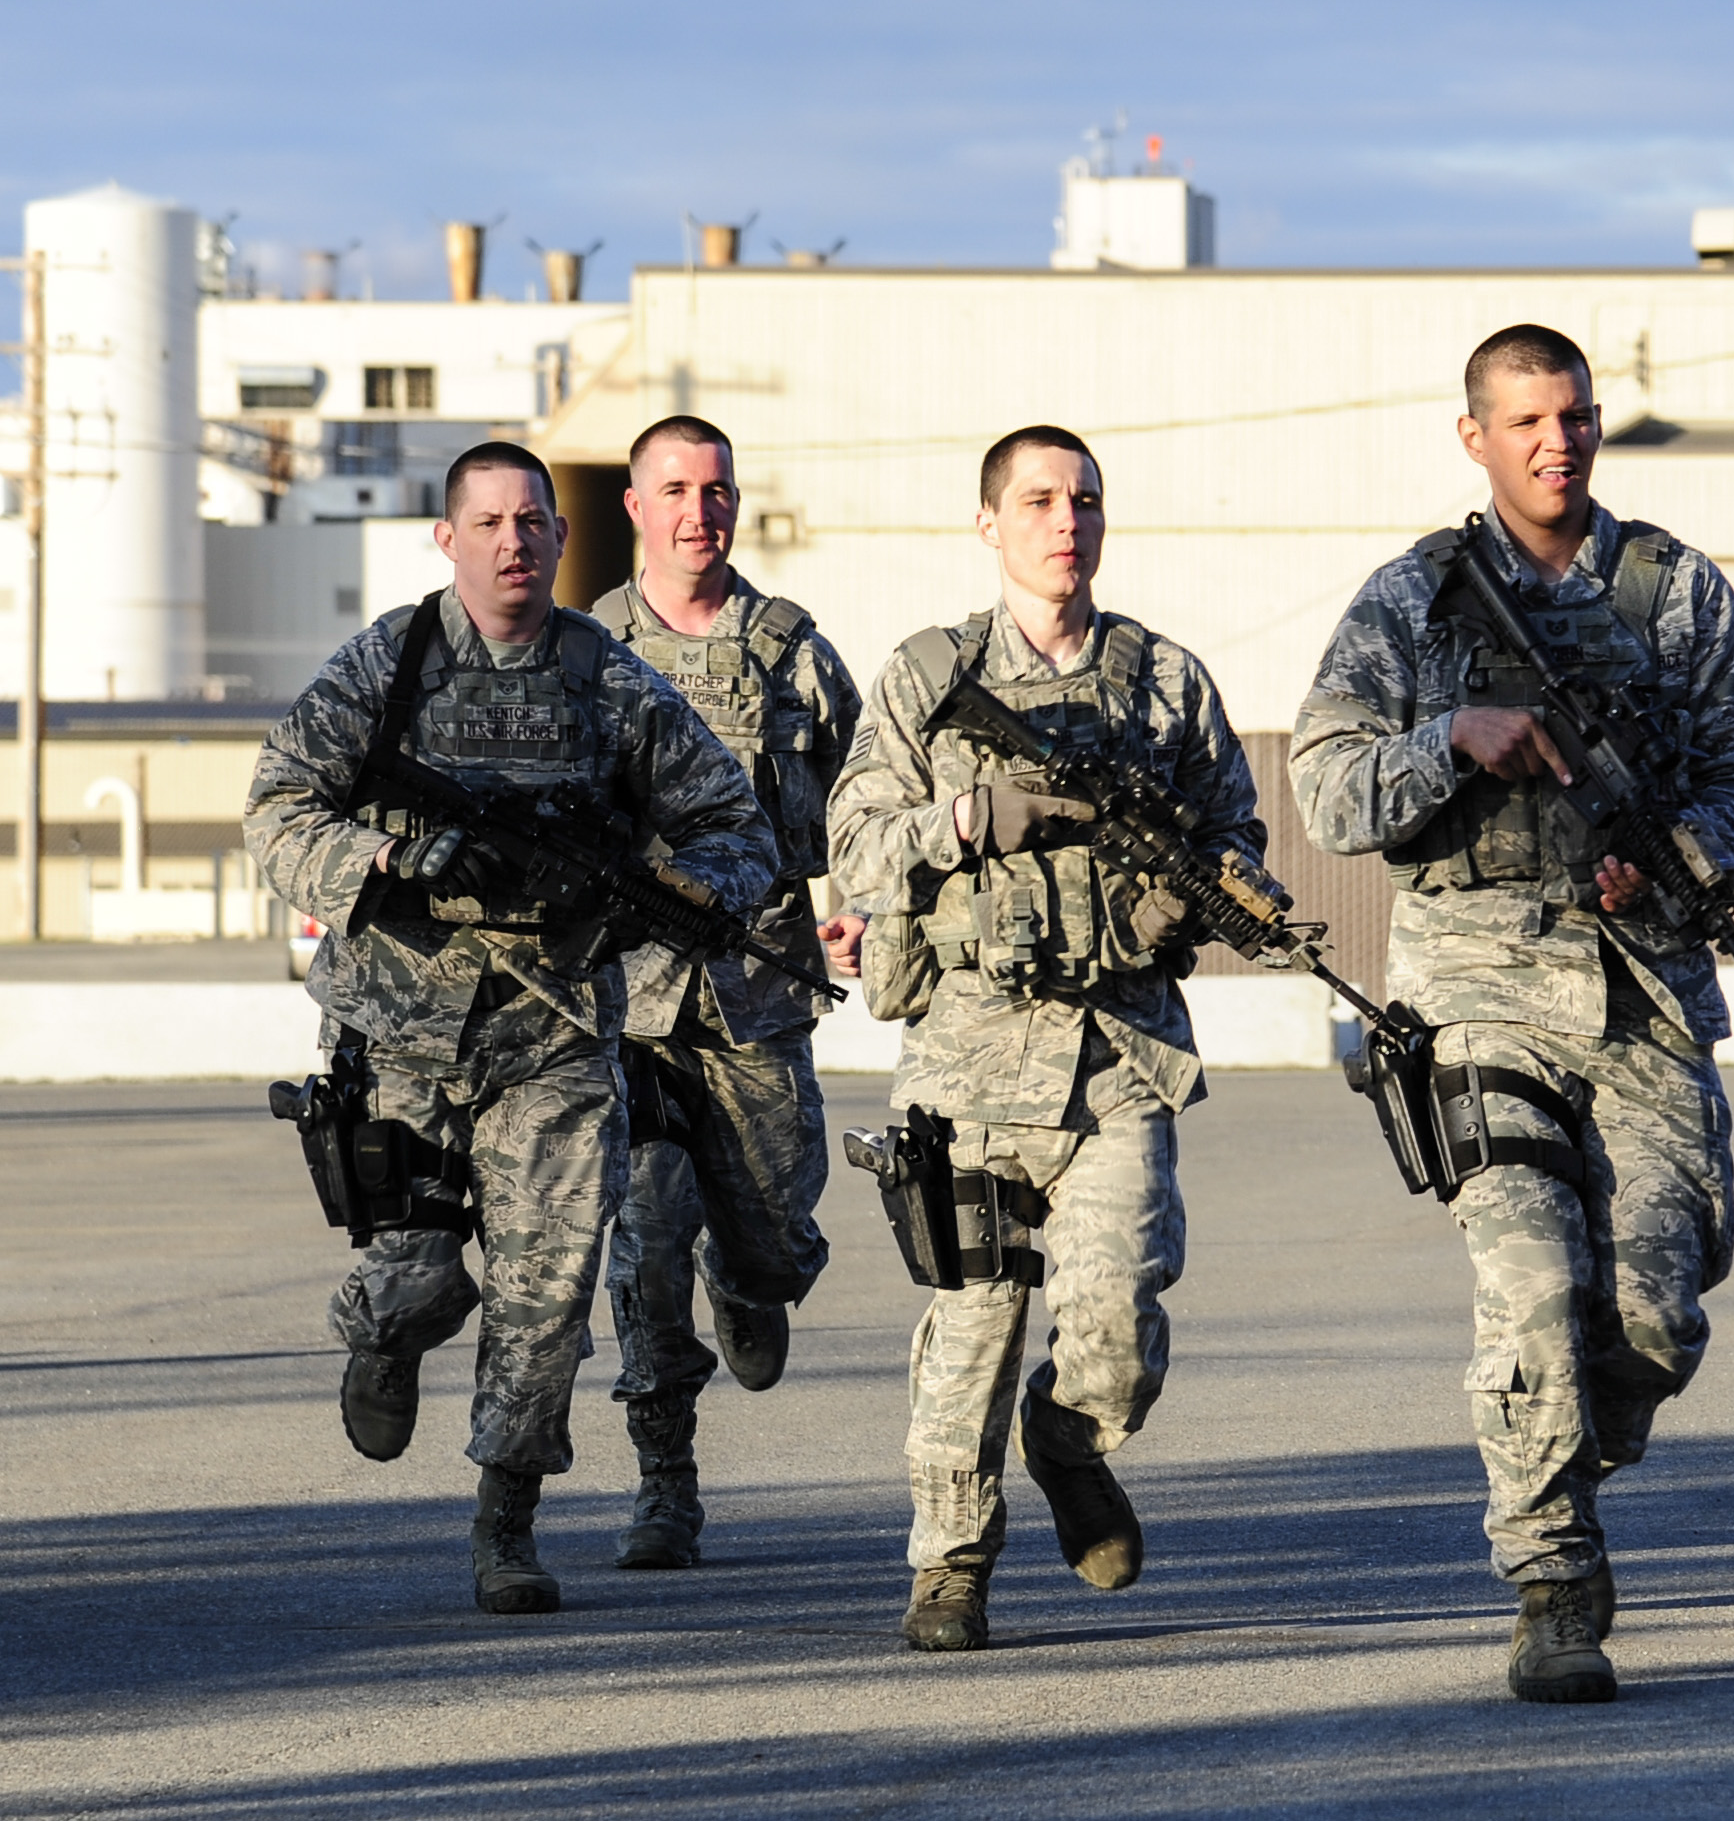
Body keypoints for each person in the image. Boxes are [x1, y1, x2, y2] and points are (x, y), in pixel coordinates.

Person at [1289, 324, 1734, 1702]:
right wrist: (1443, 742)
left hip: (1640, 992)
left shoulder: (1672, 590)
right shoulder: (1413, 600)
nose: (1551, 441)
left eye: (1569, 415)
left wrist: (1677, 861)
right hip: (1473, 994)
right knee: (1526, 1282)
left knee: (1650, 1313)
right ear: (1474, 436)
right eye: (1521, 420)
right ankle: (1552, 1581)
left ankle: (1567, 1443)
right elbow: (1326, 795)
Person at [245, 441, 776, 1616]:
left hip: (556, 1036)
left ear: (561, 537)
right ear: (450, 538)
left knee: (546, 1294)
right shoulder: (388, 663)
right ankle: (379, 1335)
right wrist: (389, 858)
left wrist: (661, 901)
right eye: (487, 522)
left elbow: (733, 826)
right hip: (403, 1034)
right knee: (419, 1281)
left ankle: (506, 1520)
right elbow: (277, 808)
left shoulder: (608, 679)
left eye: (532, 521)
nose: (512, 542)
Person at [825, 424, 1266, 1653]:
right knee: (967, 1330)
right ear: (989, 525)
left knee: (1115, 1328)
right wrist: (962, 818)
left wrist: (1208, 893)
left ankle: (1068, 1441)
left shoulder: (1163, 680)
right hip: (966, 1058)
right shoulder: (925, 674)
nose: (1062, 521)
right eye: (1035, 501)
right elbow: (854, 851)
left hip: (1117, 1057)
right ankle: (951, 1563)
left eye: (1083, 500)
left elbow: (1238, 834)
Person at [589, 415, 863, 1571]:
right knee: (645, 1239)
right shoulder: (579, 649)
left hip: (760, 990)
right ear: (636, 508)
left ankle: (751, 1278)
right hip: (625, 1006)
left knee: (768, 1239)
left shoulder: (790, 649)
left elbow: (866, 794)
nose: (701, 511)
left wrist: (858, 897)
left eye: (718, 491)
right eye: (677, 490)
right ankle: (665, 1484)